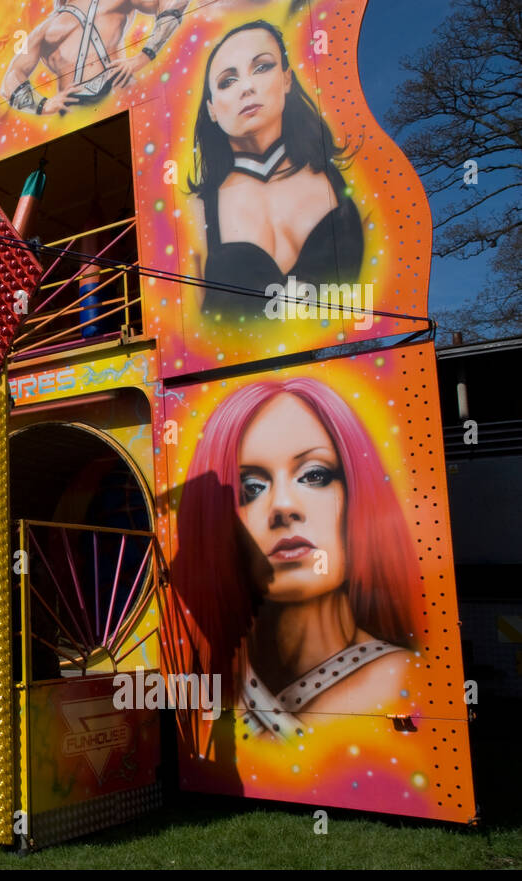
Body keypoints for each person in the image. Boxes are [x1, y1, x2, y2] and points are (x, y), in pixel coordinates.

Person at [171, 378, 419, 743]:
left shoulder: (404, 679)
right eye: (250, 489)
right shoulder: (213, 679)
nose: (283, 507)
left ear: (356, 495)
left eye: (314, 475)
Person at [189, 20, 363, 320]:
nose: (247, 87)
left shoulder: (341, 182)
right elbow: (189, 328)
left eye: (261, 67)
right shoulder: (197, 213)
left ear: (286, 79)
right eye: (227, 81)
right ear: (212, 109)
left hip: (356, 354)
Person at [0, 0, 188, 115]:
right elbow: (11, 79)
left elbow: (173, 2)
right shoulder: (43, 30)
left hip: (123, 97)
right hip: (74, 115)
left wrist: (144, 56)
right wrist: (43, 105)